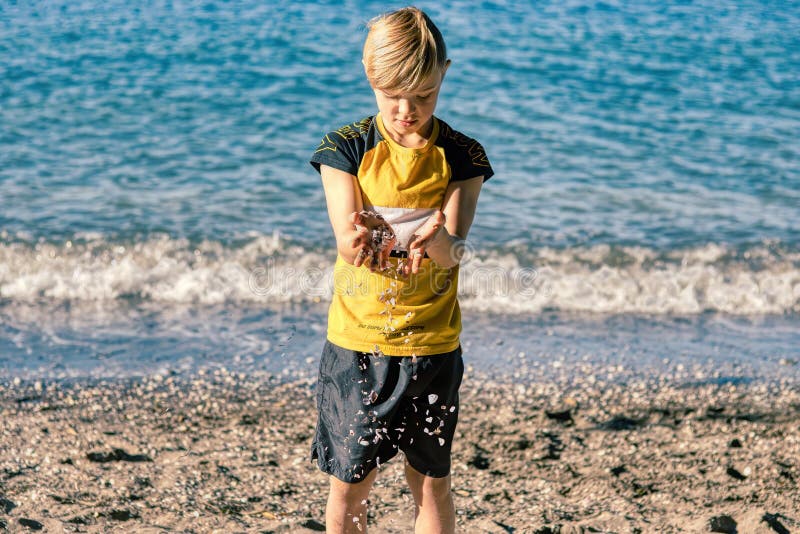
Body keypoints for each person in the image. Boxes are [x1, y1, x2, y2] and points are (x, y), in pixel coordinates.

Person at [309, 7, 493, 533]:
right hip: (358, 342)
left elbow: (456, 252)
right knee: (350, 484)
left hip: (432, 344)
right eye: (392, 95)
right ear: (369, 77)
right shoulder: (345, 149)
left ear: (444, 75)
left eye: (424, 95)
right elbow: (346, 241)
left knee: (430, 483)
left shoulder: (461, 155)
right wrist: (357, 238)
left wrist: (438, 242)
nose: (407, 110)